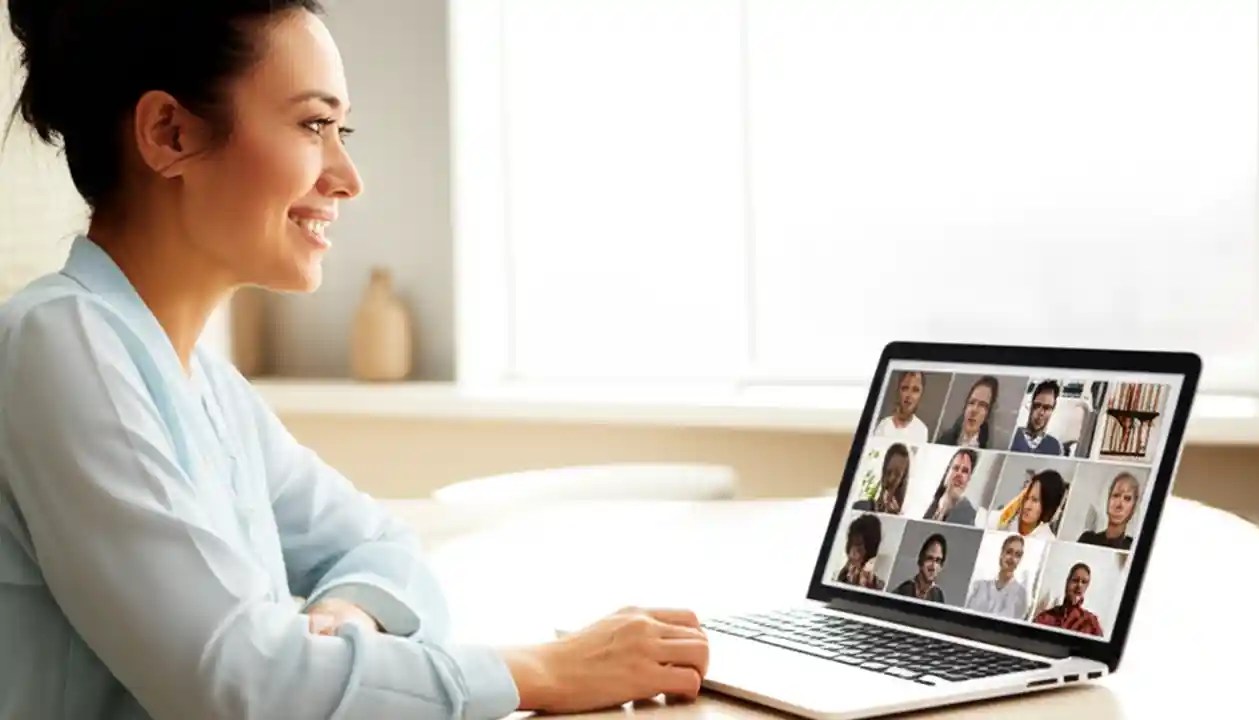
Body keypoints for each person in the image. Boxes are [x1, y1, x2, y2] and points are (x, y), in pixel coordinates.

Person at [0, 3, 708, 718]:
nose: (346, 176)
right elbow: (237, 681)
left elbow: (384, 548)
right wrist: (545, 670)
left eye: (344, 132)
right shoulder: (59, 346)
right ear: (169, 133)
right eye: (314, 125)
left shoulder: (204, 385)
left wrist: (348, 618)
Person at [964, 536, 1030, 620]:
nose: (1012, 558)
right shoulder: (979, 586)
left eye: (1017, 555)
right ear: (1002, 553)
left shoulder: (1020, 594)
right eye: (1009, 552)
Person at [1032, 563, 1104, 637]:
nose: (1079, 585)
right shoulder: (1045, 618)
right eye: (1075, 580)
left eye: (1084, 582)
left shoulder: (1091, 623)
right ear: (1067, 582)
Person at [992, 469, 1066, 540]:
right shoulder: (1008, 521)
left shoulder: (1046, 539)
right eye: (1026, 497)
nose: (1026, 506)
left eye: (1035, 500)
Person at [1077, 472, 1141, 550]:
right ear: (1108, 500)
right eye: (1116, 495)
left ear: (1133, 507)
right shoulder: (1087, 540)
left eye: (1127, 498)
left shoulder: (1133, 547)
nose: (1119, 505)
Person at [935, 376, 1000, 449]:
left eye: (982, 405)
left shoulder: (987, 448)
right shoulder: (944, 441)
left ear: (988, 414)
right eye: (971, 402)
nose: (974, 410)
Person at [922, 448, 979, 526]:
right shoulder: (932, 503)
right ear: (947, 472)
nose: (959, 474)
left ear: (969, 479)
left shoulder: (968, 514)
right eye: (956, 468)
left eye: (965, 471)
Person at [872, 371, 930, 444]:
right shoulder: (883, 425)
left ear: (921, 395)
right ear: (898, 391)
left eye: (915, 390)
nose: (909, 395)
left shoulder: (921, 431)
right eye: (905, 388)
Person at [1009, 380, 1064, 455]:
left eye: (1047, 408)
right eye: (1037, 406)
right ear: (1031, 406)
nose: (1041, 413)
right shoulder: (1011, 436)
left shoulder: (1056, 447)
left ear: (1052, 410)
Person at [853, 443, 910, 515]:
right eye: (888, 472)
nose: (891, 479)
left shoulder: (901, 517)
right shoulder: (860, 507)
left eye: (897, 475)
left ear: (902, 481)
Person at [832, 514, 886, 590]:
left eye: (858, 547)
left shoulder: (879, 587)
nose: (851, 554)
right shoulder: (836, 576)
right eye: (850, 544)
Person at [892, 534, 947, 603]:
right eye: (929, 559)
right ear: (921, 561)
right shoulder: (903, 591)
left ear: (941, 566)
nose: (933, 566)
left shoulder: (938, 595)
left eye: (937, 561)